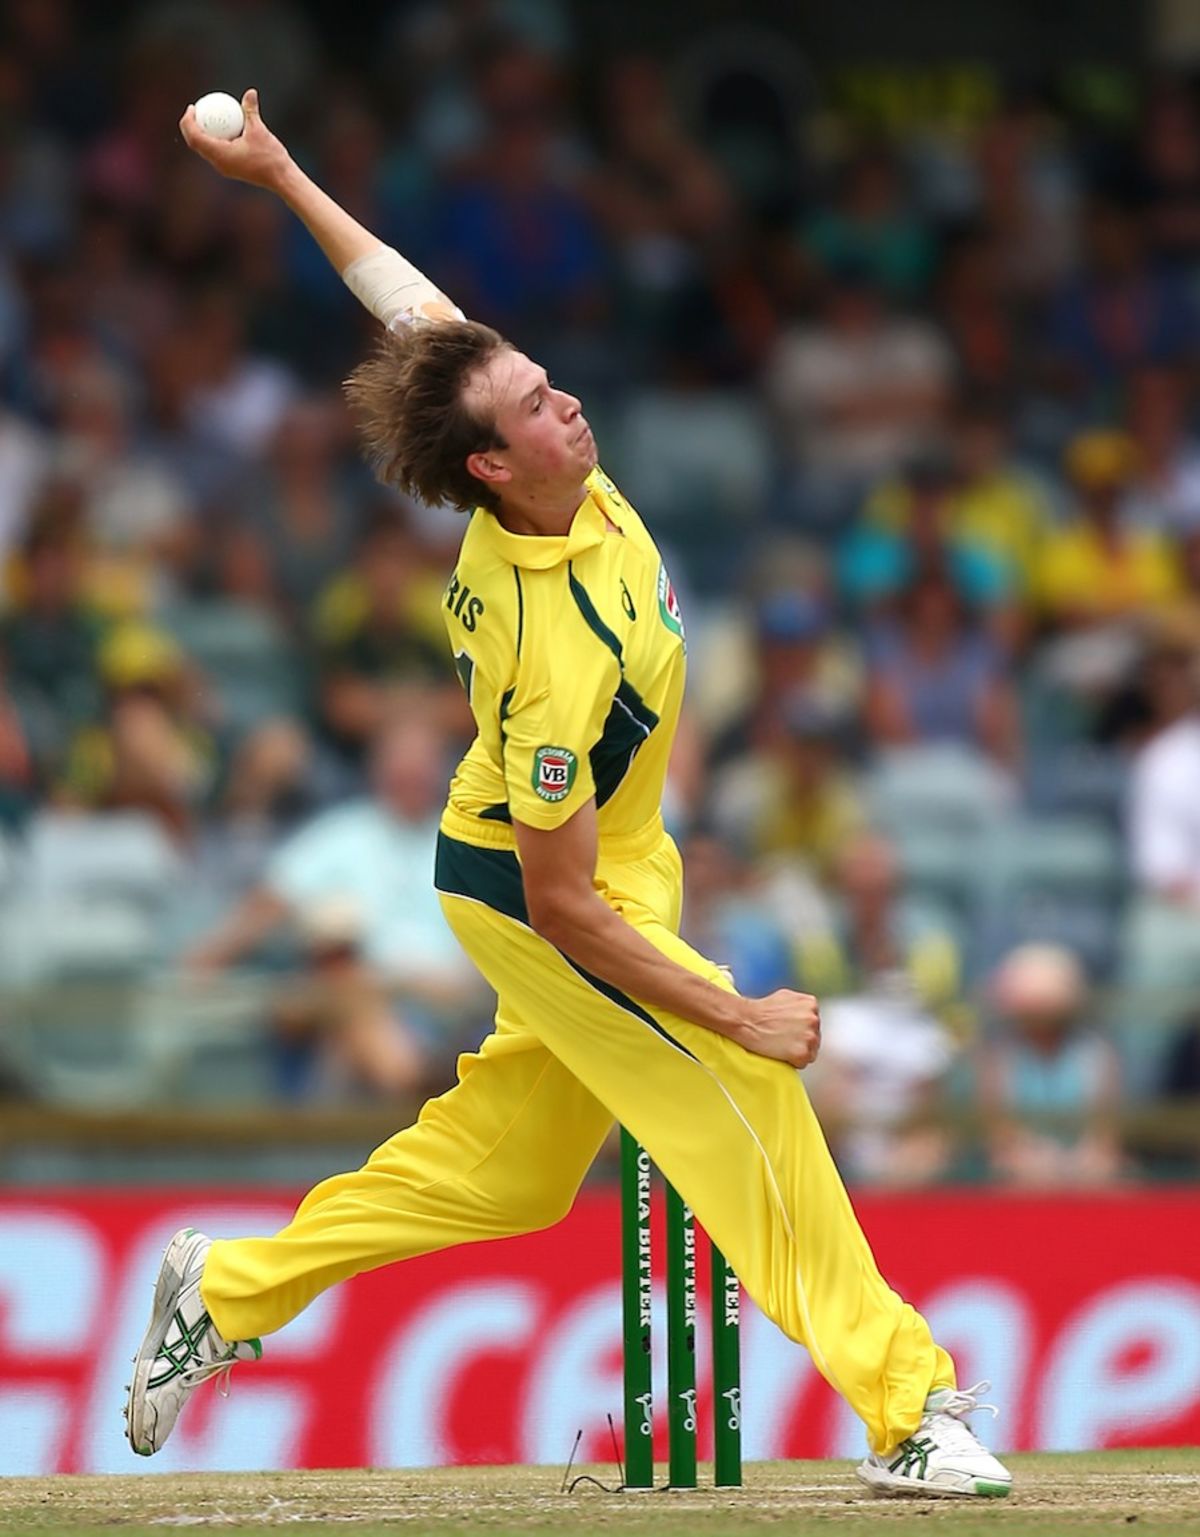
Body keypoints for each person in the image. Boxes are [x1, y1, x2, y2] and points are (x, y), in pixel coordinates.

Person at [123, 89, 1012, 1501]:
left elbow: (408, 307)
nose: (568, 398)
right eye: (538, 402)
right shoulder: (543, 650)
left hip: (623, 862)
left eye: (551, 379)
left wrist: (283, 171)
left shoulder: (539, 469)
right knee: (742, 1096)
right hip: (542, 895)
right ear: (493, 464)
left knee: (515, 1176)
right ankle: (908, 1404)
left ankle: (225, 1291)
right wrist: (733, 1008)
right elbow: (560, 898)